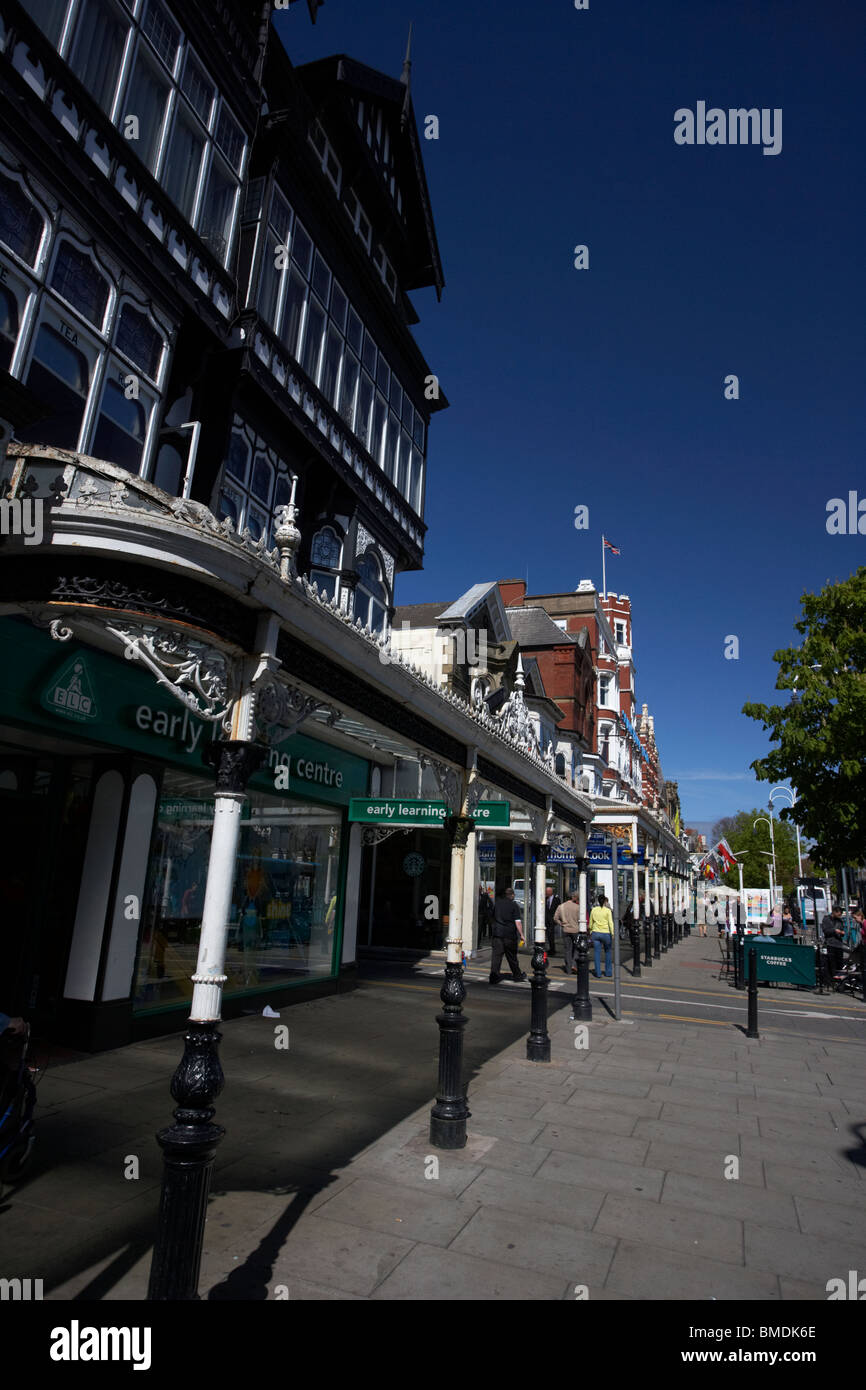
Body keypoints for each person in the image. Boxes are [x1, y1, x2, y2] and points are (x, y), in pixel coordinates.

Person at [489, 885, 527, 984]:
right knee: (512, 957)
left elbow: (492, 917)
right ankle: (517, 975)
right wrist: (522, 935)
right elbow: (517, 922)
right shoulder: (514, 906)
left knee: (496, 957)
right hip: (509, 935)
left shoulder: (497, 904)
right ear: (512, 895)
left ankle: (494, 976)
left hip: (498, 935)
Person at [554, 890, 584, 975]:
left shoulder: (561, 907)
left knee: (567, 949)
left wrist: (561, 923)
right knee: (577, 948)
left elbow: (555, 918)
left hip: (566, 929)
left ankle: (568, 969)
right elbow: (580, 919)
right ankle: (574, 964)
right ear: (574, 898)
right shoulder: (577, 907)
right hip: (575, 930)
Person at [588, 894, 615, 979]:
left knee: (596, 953)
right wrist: (612, 933)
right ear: (604, 901)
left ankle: (598, 972)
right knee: (608, 952)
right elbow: (610, 922)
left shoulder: (594, 910)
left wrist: (591, 930)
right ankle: (608, 972)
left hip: (596, 933)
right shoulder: (608, 911)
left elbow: (591, 922)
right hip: (606, 933)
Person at [820, 904, 845, 985]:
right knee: (831, 963)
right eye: (838, 914)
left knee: (840, 963)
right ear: (834, 912)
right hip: (830, 944)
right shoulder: (827, 919)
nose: (840, 916)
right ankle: (831, 981)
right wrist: (835, 931)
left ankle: (839, 981)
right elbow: (826, 931)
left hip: (838, 944)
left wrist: (841, 933)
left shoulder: (840, 921)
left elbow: (842, 930)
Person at [544, 883, 561, 957]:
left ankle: (552, 949)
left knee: (551, 935)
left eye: (547, 892)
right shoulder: (544, 899)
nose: (546, 893)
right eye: (545, 891)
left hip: (553, 920)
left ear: (551, 892)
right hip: (546, 920)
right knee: (548, 935)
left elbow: (558, 909)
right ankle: (550, 949)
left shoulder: (556, 900)